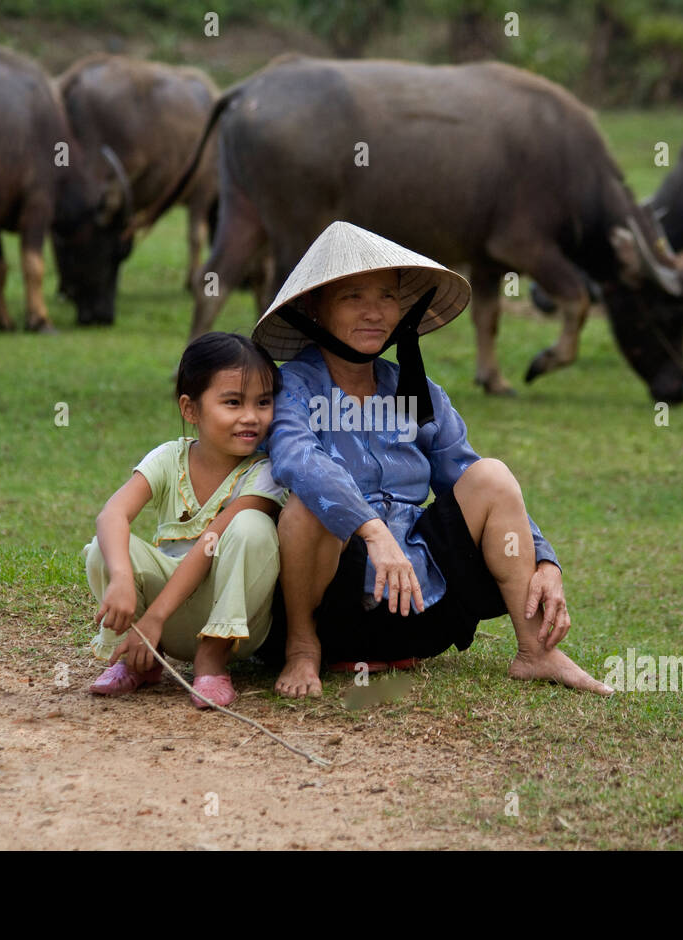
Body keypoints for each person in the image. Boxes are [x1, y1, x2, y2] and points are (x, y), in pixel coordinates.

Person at [254, 221, 614, 700]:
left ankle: (534, 651)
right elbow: (298, 460)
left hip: (419, 605)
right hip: (335, 609)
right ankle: (302, 648)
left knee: (491, 476)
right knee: (305, 508)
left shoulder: (416, 391)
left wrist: (545, 559)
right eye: (352, 297)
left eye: (386, 296)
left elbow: (468, 475)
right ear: (314, 310)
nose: (373, 312)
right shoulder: (291, 387)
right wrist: (370, 528)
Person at [81, 332, 288, 708]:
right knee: (105, 546)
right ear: (190, 410)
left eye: (263, 402)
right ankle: (139, 657)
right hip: (163, 625)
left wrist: (155, 616)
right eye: (232, 402)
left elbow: (212, 541)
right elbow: (112, 513)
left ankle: (212, 658)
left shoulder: (266, 472)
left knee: (251, 527)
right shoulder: (168, 459)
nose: (250, 417)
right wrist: (124, 579)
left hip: (236, 625)